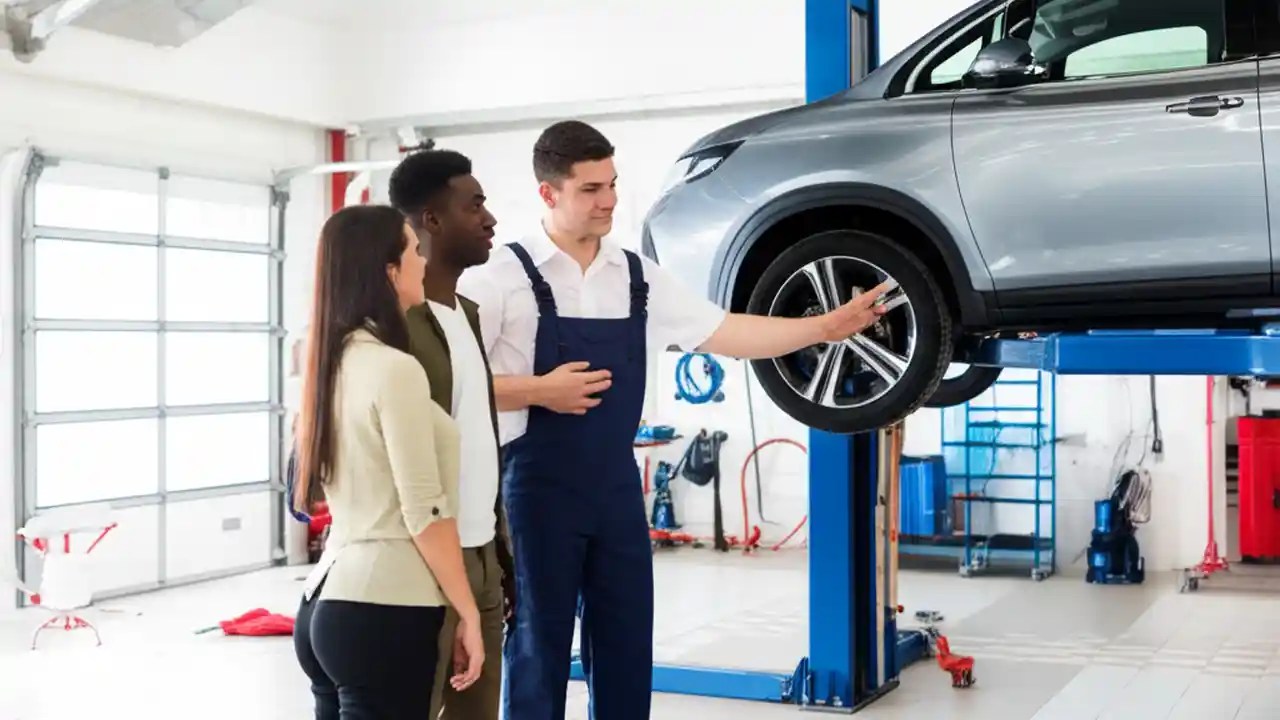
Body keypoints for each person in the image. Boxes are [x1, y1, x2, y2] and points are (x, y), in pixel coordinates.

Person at [456, 120, 891, 720]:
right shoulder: (498, 278)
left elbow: (728, 331)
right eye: (589, 189)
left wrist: (823, 329)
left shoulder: (636, 277)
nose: (608, 199)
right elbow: (452, 388)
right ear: (548, 194)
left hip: (613, 488)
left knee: (627, 639)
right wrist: (540, 390)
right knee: (538, 642)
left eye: (612, 184)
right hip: (535, 490)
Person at [291, 204, 484, 720]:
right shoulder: (396, 369)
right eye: (414, 251)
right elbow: (424, 511)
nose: (424, 261)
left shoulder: (329, 365)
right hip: (384, 606)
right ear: (388, 270)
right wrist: (467, 610)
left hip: (324, 604)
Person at [387, 149, 514, 720]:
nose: (489, 219)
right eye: (476, 205)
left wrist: (499, 554)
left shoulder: (468, 313)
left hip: (481, 554)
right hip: (425, 563)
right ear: (431, 221)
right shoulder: (397, 326)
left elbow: (478, 438)